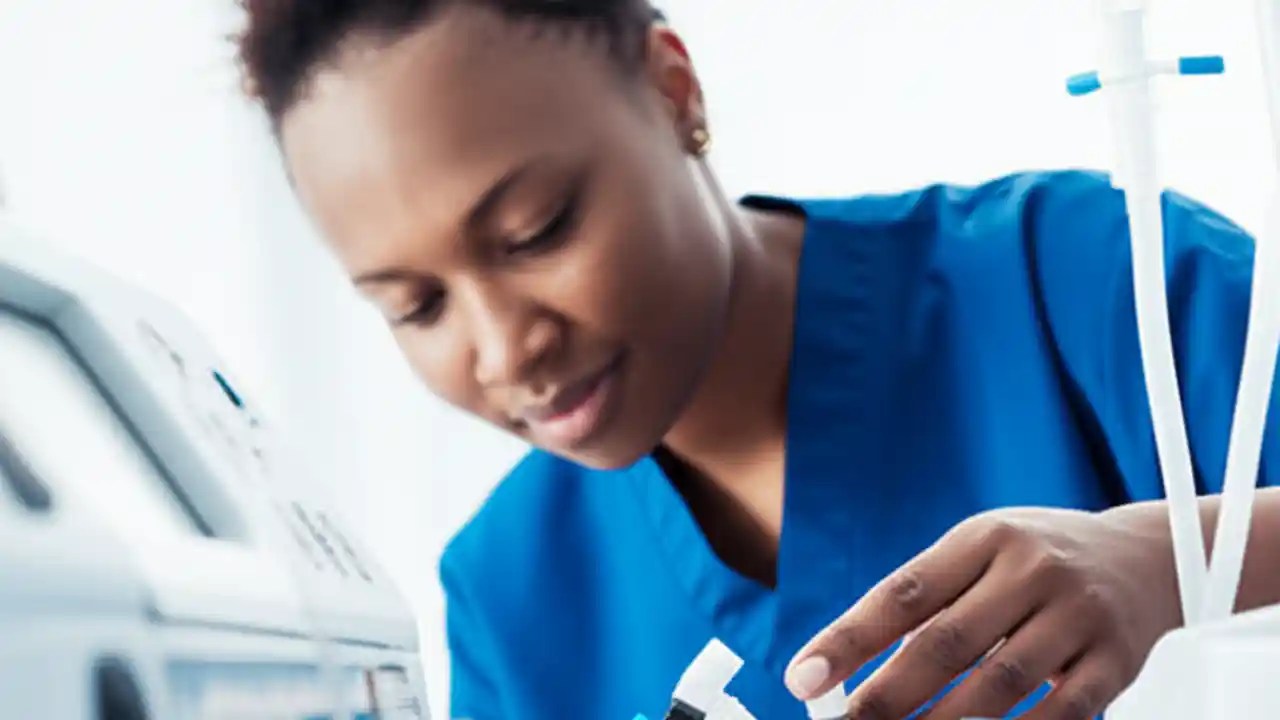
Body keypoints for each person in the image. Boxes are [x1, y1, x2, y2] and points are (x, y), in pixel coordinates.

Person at [235, 1, 1280, 718]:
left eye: (537, 230)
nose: (507, 349)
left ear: (670, 92)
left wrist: (1172, 566)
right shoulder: (512, 596)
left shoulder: (1101, 281)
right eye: (415, 307)